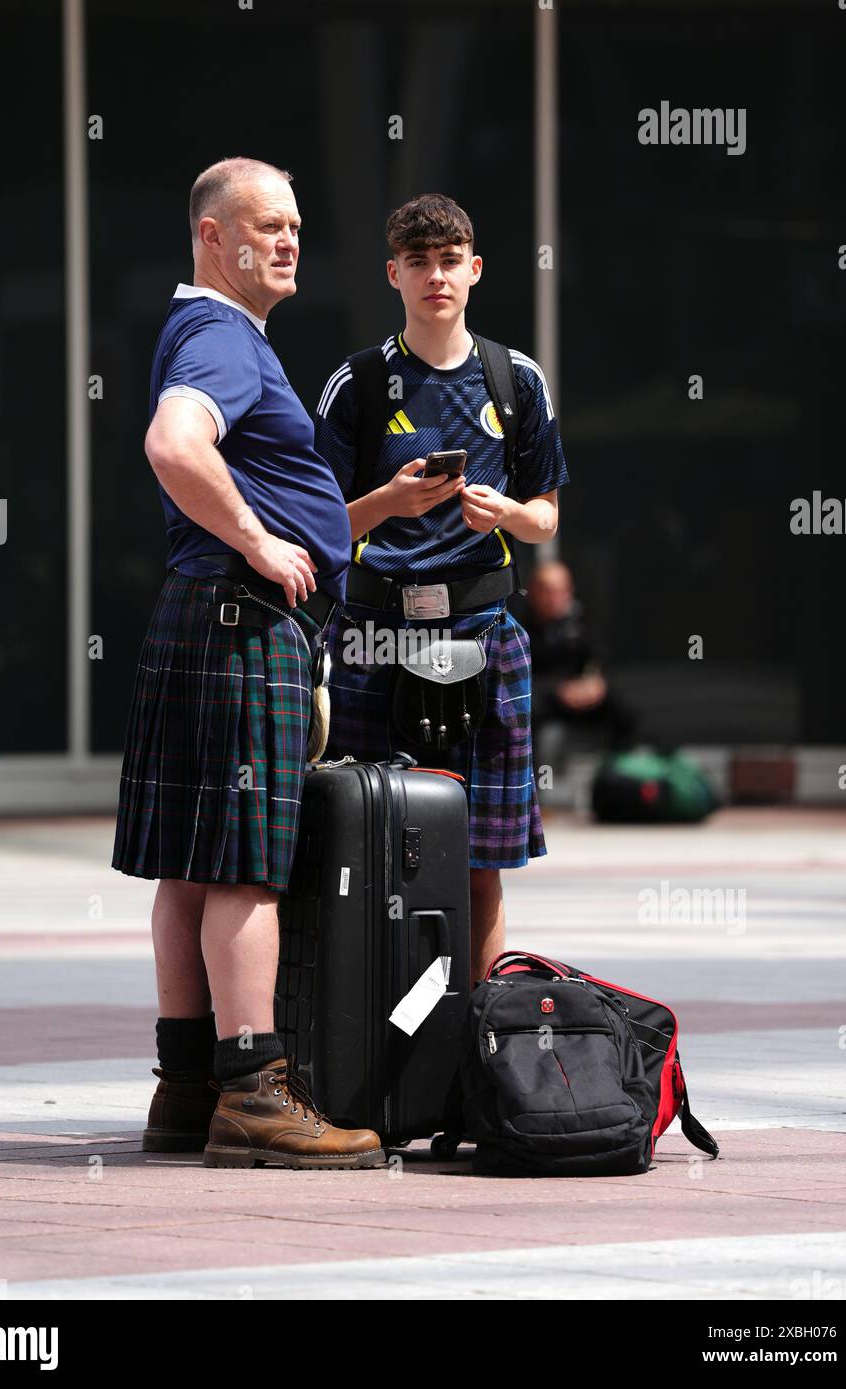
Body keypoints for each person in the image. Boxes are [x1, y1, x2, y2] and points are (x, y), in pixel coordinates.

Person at [112, 156, 385, 1170]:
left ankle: (185, 1089)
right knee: (243, 867)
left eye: (296, 225)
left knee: (190, 863)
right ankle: (254, 1093)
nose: (287, 240)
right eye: (265, 224)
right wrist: (260, 541)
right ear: (211, 238)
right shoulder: (222, 337)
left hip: (203, 617)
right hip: (240, 621)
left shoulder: (206, 331)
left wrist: (346, 519)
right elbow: (174, 444)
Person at [314, 193, 568, 986]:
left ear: (476, 269)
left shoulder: (515, 378)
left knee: (483, 857)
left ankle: (479, 1043)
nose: (436, 276)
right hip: (372, 636)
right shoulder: (355, 384)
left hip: (483, 629)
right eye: (418, 262)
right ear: (394, 273)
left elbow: (545, 523)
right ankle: (359, 1045)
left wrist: (504, 510)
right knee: (359, 848)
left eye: (449, 260)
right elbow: (317, 530)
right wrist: (389, 502)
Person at [523, 560, 637, 753]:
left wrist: (596, 683)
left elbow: (600, 659)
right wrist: (558, 690)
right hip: (545, 700)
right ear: (534, 593)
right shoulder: (520, 629)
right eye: (548, 591)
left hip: (582, 699)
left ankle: (619, 771)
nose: (555, 599)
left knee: (624, 706)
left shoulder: (580, 622)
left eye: (561, 591)